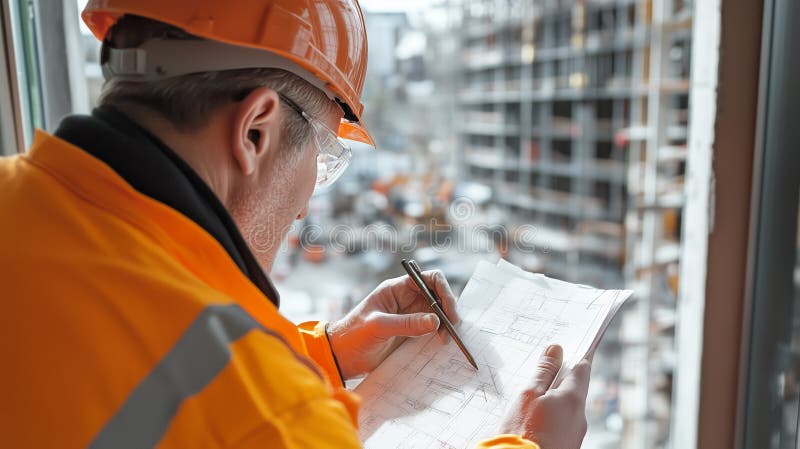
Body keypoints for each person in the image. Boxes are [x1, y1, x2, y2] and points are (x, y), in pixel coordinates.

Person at [0, 1, 592, 448]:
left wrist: (324, 355)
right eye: (326, 160)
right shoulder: (276, 420)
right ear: (255, 129)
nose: (308, 205)